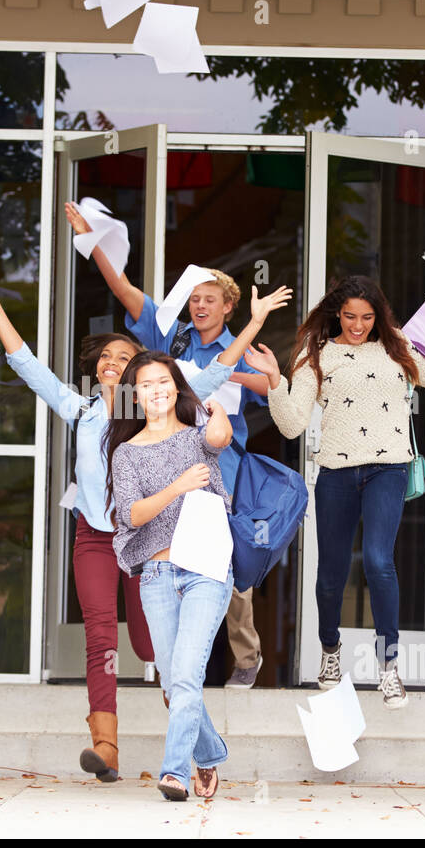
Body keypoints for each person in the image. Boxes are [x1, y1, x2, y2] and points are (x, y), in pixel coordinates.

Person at [0, 256, 237, 781]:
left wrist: (255, 324)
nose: (111, 361)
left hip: (151, 542)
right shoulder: (79, 409)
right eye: (105, 356)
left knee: (154, 649)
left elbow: (213, 375)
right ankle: (105, 744)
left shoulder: (154, 411)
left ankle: (199, 740)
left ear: (139, 372)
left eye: (123, 356)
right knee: (101, 634)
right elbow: (24, 361)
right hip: (95, 538)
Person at [247, 276, 425, 709]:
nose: (358, 326)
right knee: (332, 574)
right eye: (350, 316)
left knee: (378, 561)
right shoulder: (316, 354)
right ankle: (331, 651)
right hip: (336, 473)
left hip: (388, 469)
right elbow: (293, 424)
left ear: (380, 315)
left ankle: (389, 667)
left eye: (367, 317)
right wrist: (276, 381)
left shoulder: (398, 345)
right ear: (337, 313)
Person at [65, 202, 267, 689]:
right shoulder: (169, 336)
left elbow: (269, 386)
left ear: (228, 306)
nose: (199, 306)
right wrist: (93, 243)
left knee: (223, 560)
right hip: (160, 469)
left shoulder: (239, 344)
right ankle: (171, 666)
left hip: (219, 470)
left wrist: (225, 370)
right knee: (164, 558)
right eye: (194, 297)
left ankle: (245, 654)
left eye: (210, 299)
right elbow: (124, 291)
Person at [106, 284, 290, 801]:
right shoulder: (126, 454)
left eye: (165, 381)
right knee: (174, 682)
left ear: (175, 386)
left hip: (206, 567)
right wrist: (177, 487)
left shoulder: (195, 431)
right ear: (134, 394)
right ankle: (210, 752)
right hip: (158, 573)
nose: (158, 389)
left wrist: (250, 329)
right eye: (147, 384)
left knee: (186, 673)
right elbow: (132, 515)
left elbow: (220, 437)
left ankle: (175, 772)